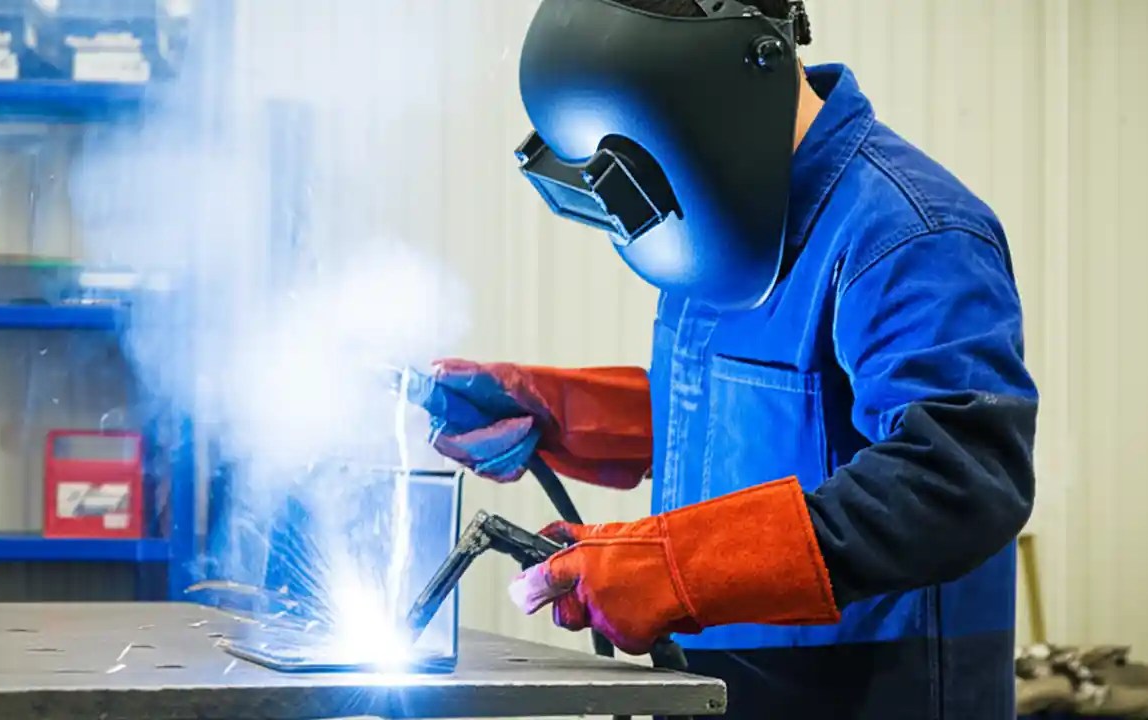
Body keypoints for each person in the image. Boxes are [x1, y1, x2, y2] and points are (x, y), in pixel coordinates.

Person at [416, 1, 1038, 718]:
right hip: (719, 681)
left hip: (865, 689)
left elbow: (958, 480)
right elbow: (751, 414)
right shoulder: (730, 212)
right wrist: (562, 414)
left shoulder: (909, 233)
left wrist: (673, 565)